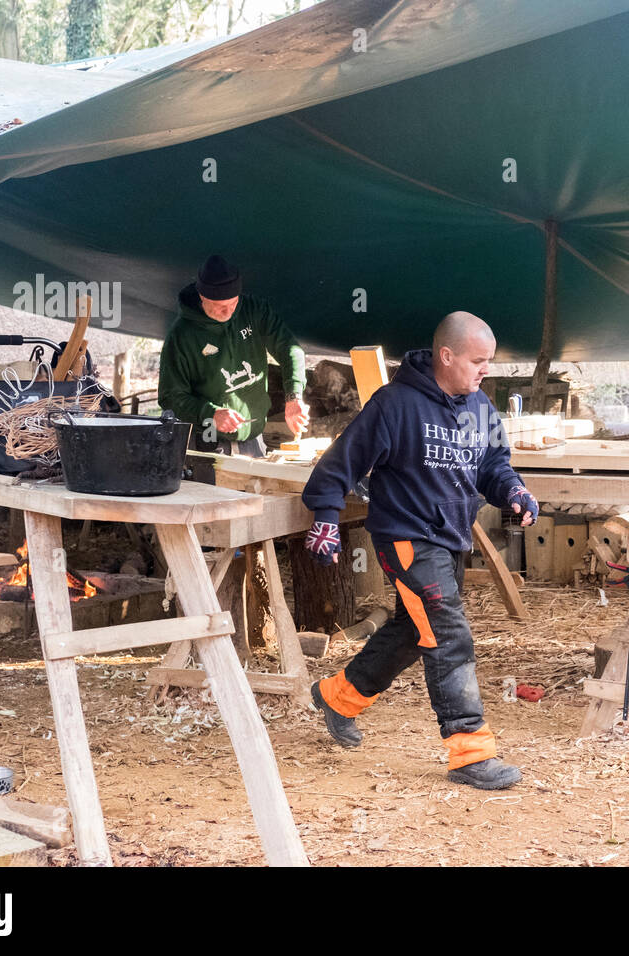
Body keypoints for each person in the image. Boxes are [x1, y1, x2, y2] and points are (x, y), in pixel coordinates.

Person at [300, 311, 539, 790]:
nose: (484, 371)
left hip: (451, 536)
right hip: (406, 539)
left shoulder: (481, 409)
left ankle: (338, 697)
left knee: (414, 631)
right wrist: (325, 515)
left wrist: (514, 491)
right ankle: (469, 753)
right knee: (449, 636)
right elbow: (339, 463)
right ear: (446, 356)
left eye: (489, 362)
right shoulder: (394, 405)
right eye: (477, 361)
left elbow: (494, 466)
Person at [157, 254, 308, 457]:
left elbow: (290, 350)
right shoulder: (182, 336)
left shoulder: (254, 311)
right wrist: (210, 413)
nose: (228, 312)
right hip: (207, 445)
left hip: (253, 442)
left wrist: (294, 396)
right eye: (220, 306)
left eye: (234, 303)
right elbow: (171, 397)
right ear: (202, 297)